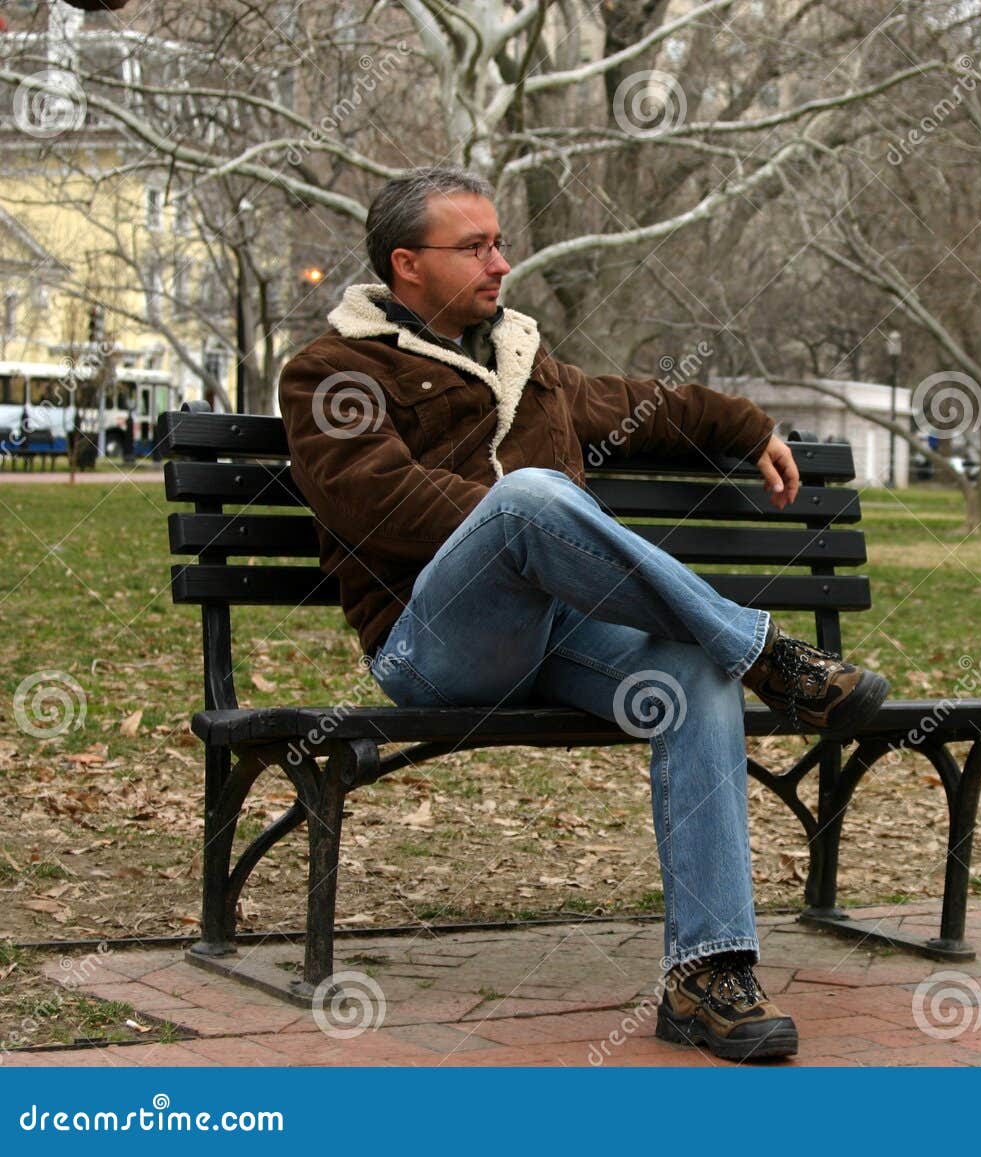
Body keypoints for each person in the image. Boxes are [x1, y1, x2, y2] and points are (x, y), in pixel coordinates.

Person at [278, 165, 890, 1061]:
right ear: (406, 264)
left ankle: (707, 976)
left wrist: (748, 425)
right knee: (529, 495)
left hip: (556, 640)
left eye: (500, 242)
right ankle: (765, 650)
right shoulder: (333, 372)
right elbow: (378, 506)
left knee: (689, 672)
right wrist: (516, 521)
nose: (501, 262)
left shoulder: (531, 366)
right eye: (476, 247)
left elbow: (649, 406)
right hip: (434, 645)